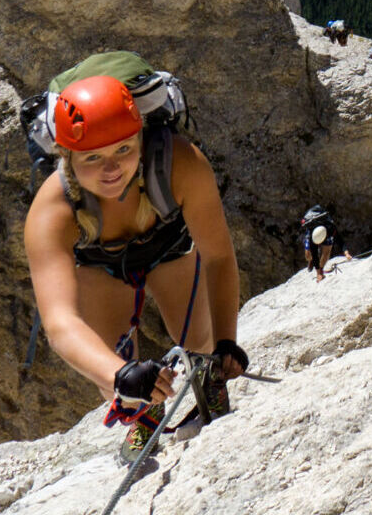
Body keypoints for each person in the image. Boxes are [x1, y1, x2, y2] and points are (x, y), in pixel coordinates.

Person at [24, 73, 249, 458]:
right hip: (102, 267)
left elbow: (218, 256)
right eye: (92, 157)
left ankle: (209, 379)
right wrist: (120, 376)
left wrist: (226, 343)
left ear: (141, 140)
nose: (111, 168)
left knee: (201, 343)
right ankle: (143, 414)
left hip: (168, 248)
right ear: (67, 156)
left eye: (124, 150)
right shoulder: (52, 210)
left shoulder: (181, 163)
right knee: (114, 376)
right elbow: (60, 322)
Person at [299, 205, 353, 281]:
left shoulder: (331, 228)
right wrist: (317, 273)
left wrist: (346, 253)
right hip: (315, 232)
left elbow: (340, 241)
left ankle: (321, 268)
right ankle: (311, 261)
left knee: (326, 252)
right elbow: (314, 253)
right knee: (308, 255)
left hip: (324, 231)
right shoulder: (312, 234)